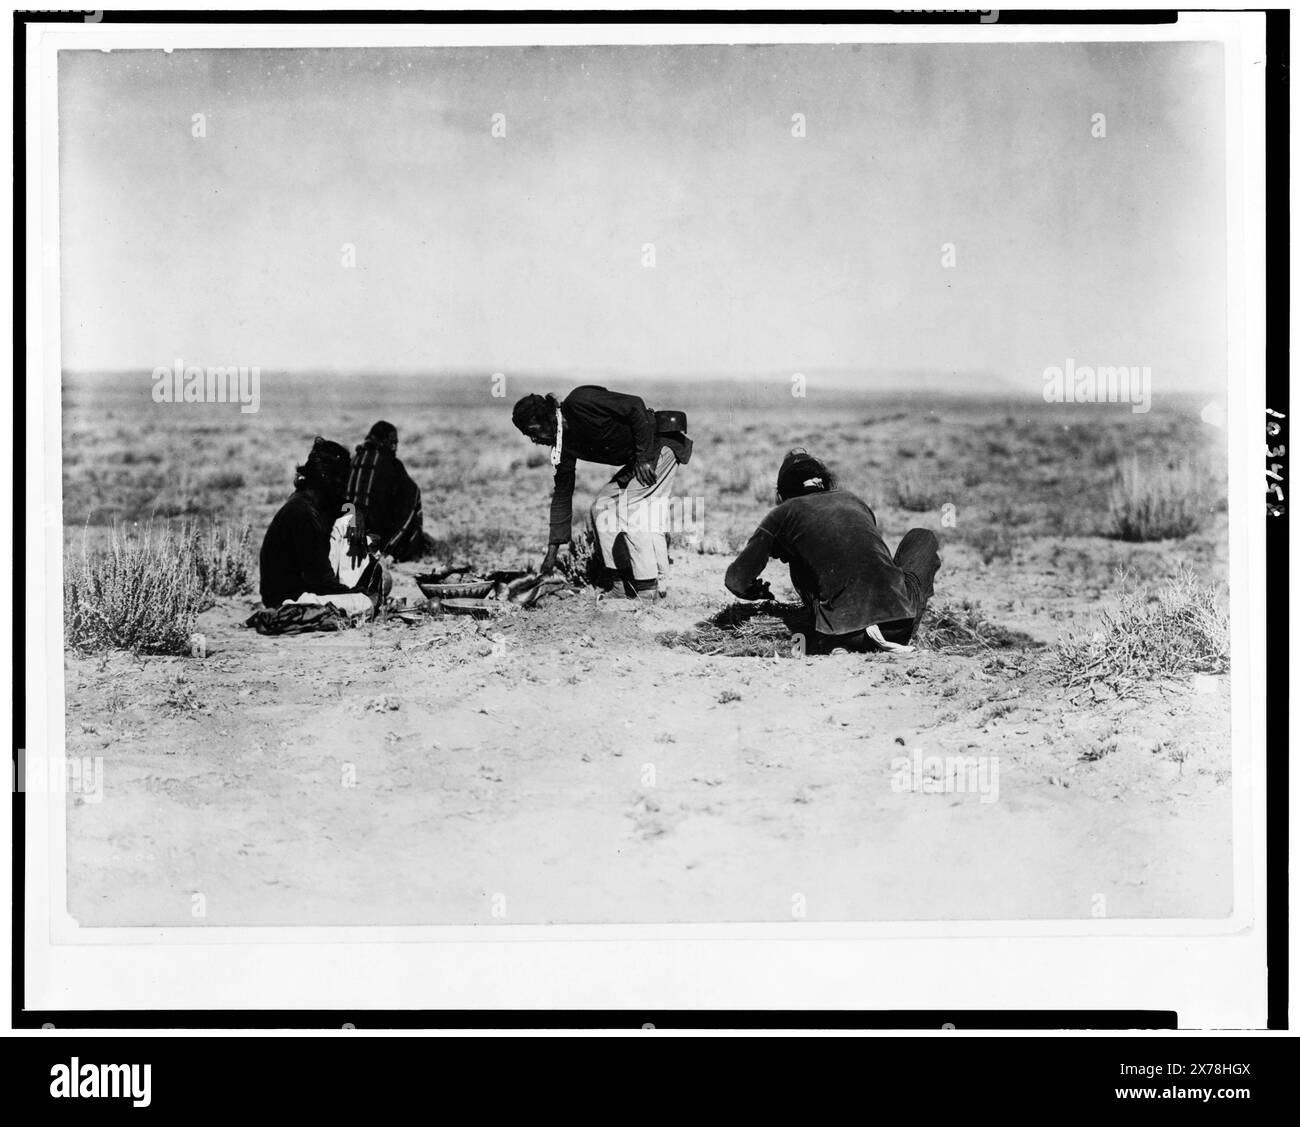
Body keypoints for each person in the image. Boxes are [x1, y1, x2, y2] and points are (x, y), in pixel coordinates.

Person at [724, 448, 940, 652]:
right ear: (825, 483)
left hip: (841, 632)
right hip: (899, 627)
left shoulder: (782, 513)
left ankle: (839, 623)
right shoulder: (853, 501)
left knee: (807, 556)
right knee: (922, 537)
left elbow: (736, 579)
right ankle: (892, 611)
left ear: (783, 493)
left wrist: (755, 592)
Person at [512, 386, 692, 599]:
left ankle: (647, 588)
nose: (535, 440)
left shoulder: (580, 401)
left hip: (659, 445)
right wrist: (551, 556)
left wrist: (643, 459)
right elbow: (562, 496)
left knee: (631, 507)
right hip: (639, 460)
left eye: (533, 432)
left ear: (544, 419)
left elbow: (635, 405)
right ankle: (620, 584)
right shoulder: (563, 445)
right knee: (602, 507)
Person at [258, 436, 378, 615]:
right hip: (288, 599)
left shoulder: (315, 501)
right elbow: (320, 581)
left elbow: (348, 506)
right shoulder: (304, 513)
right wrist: (354, 594)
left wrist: (356, 513)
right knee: (364, 603)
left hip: (303, 590)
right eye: (343, 478)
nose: (346, 485)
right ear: (327, 477)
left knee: (348, 521)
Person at [344, 420, 426, 563]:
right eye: (391, 443)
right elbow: (413, 497)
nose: (395, 448)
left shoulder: (353, 460)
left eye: (396, 443)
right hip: (377, 538)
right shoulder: (391, 464)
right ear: (379, 441)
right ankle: (396, 549)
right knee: (411, 500)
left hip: (345, 534)